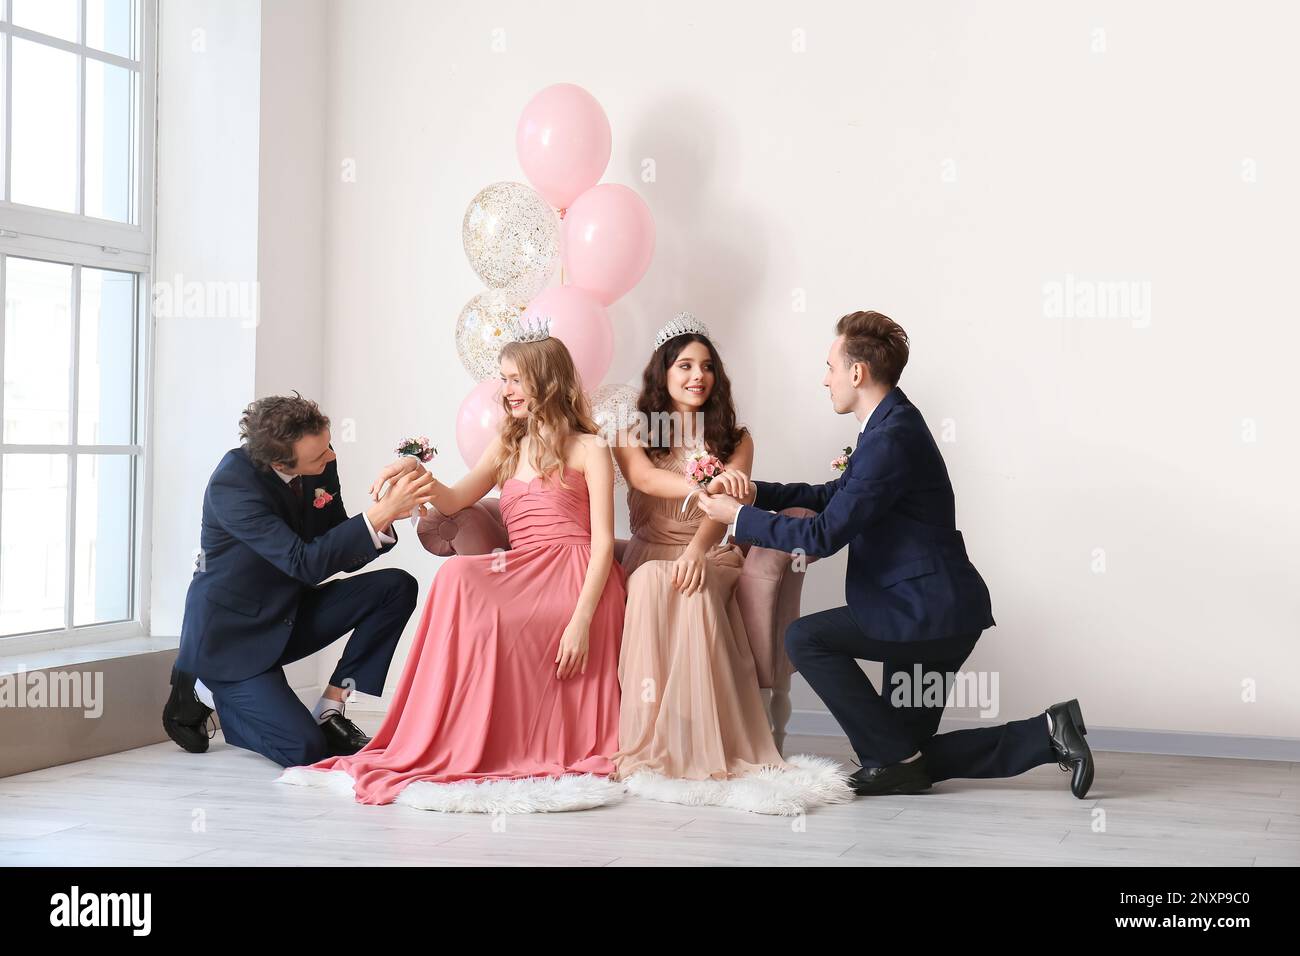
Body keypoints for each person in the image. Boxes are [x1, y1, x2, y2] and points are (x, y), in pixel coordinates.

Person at [696, 311, 1095, 799]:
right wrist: (755, 492)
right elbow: (830, 496)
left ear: (857, 373)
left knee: (805, 639)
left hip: (925, 612)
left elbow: (822, 535)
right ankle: (1049, 731)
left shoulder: (891, 437)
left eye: (830, 366)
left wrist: (737, 516)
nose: (825, 379)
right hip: (932, 611)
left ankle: (892, 761)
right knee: (907, 755)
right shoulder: (889, 424)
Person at [278, 329, 627, 813]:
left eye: (516, 379)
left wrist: (582, 622)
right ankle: (441, 730)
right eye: (503, 379)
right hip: (523, 569)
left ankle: (477, 734)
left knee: (468, 582)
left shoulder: (590, 448)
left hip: (576, 573)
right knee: (456, 577)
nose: (506, 390)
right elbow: (454, 499)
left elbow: (604, 542)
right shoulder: (508, 445)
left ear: (547, 380)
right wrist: (412, 471)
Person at [608, 313, 850, 814]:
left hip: (712, 550)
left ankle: (705, 745)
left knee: (688, 584)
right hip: (651, 550)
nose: (698, 376)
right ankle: (649, 743)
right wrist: (701, 487)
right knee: (655, 577)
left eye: (707, 366)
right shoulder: (632, 435)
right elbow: (648, 482)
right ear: (663, 374)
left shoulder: (735, 439)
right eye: (685, 366)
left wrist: (698, 548)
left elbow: (729, 510)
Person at [164, 392, 433, 767]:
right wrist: (376, 514)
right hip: (232, 640)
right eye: (320, 456)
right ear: (279, 460)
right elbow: (301, 562)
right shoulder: (233, 484)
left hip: (287, 613)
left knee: (396, 587)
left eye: (327, 446)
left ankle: (330, 710)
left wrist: (386, 516)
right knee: (304, 750)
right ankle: (205, 688)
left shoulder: (318, 460)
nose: (331, 458)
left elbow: (338, 543)